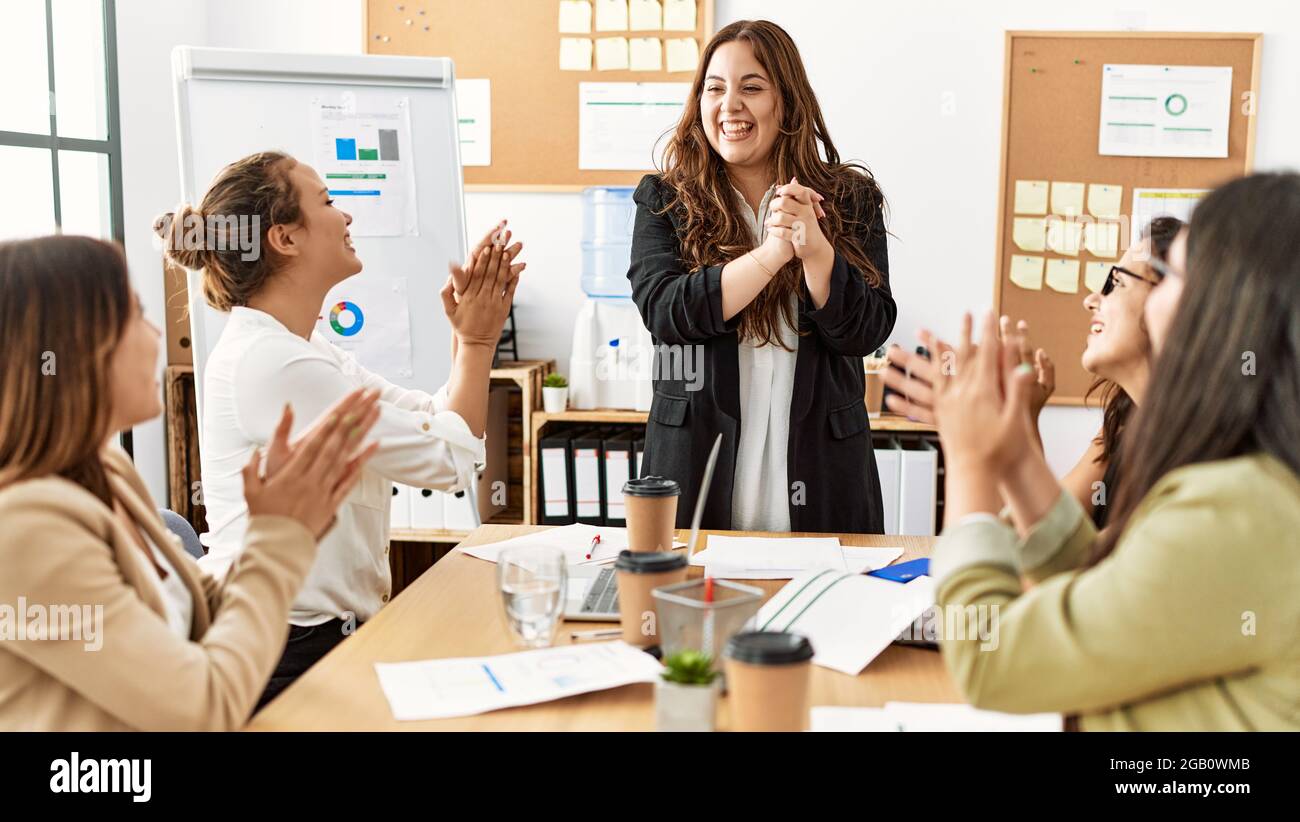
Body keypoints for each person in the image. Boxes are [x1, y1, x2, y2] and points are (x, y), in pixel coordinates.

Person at [926, 173, 1300, 730]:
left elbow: (988, 660)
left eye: (1173, 272)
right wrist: (1011, 455)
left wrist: (970, 465)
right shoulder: (1247, 484)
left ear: (1222, 306)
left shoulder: (1238, 506)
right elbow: (1112, 585)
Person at [156, 151, 523, 705]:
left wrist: (467, 336)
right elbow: (448, 461)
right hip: (287, 651)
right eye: (326, 201)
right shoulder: (274, 364)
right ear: (284, 238)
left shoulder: (305, 349)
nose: (345, 217)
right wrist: (476, 344)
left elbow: (435, 419)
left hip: (314, 635)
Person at [0, 235, 379, 730]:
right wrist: (278, 537)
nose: (156, 334)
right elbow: (204, 709)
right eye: (134, 315)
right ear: (74, 351)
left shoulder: (106, 475)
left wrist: (290, 524)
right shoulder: (27, 531)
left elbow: (198, 605)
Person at [628, 19, 895, 533]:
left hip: (821, 473)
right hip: (695, 471)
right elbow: (667, 312)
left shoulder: (850, 199)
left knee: (828, 609)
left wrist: (816, 254)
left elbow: (866, 330)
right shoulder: (665, 199)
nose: (730, 106)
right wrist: (773, 254)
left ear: (787, 102)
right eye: (715, 88)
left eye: (752, 88)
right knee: (695, 610)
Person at [884, 216, 1184, 529]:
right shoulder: (1123, 419)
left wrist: (969, 455)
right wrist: (1020, 420)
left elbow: (1050, 552)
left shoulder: (1198, 460)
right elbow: (1045, 534)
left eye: (1117, 283)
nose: (1092, 299)